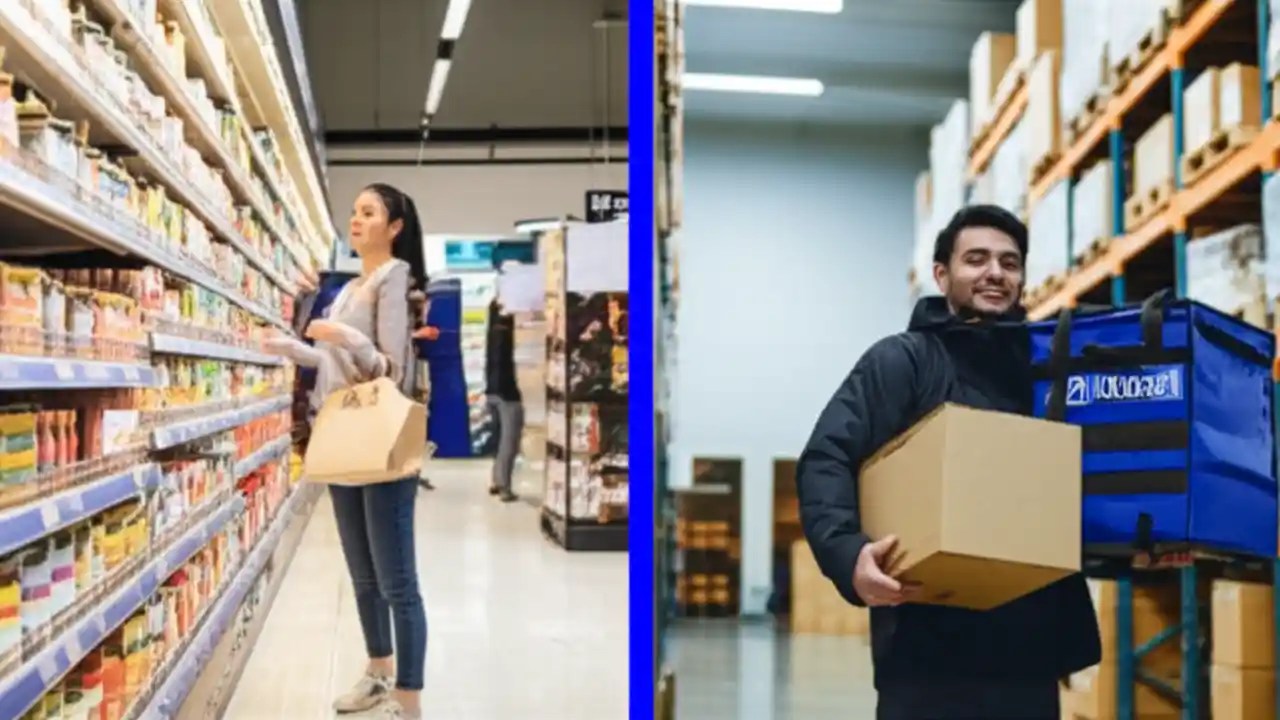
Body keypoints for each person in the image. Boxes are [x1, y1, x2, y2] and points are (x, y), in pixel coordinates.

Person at [796, 205, 1101, 719]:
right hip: (927, 650)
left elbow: (1075, 492)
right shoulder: (903, 362)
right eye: (976, 259)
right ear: (942, 274)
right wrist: (849, 555)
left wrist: (1146, 544)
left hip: (1028, 651)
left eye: (1009, 262)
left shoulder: (1045, 375)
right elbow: (826, 458)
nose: (994, 273)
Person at [265, 183, 430, 719]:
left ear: (395, 227)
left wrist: (350, 340)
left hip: (379, 442)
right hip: (341, 437)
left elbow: (392, 370)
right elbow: (333, 366)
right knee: (361, 575)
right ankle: (378, 674)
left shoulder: (393, 278)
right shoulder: (349, 287)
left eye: (369, 212)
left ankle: (408, 700)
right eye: (354, 212)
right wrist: (300, 352)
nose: (355, 220)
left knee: (396, 579)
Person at [484, 296, 523, 502]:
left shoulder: (492, 331)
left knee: (499, 439)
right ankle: (504, 486)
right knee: (510, 441)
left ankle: (496, 480)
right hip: (507, 393)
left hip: (492, 390)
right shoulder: (505, 333)